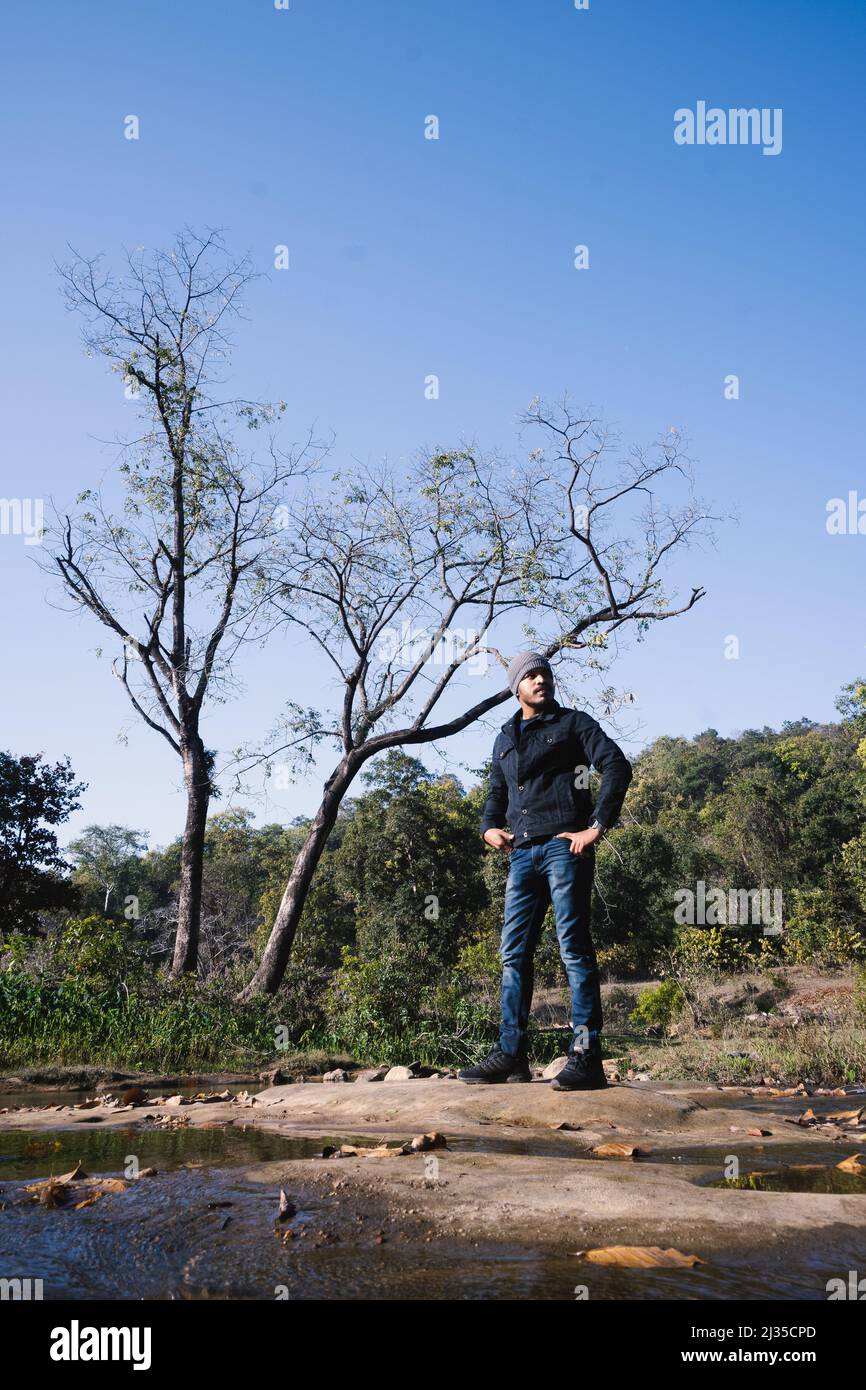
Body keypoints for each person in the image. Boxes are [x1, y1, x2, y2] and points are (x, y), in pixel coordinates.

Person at [457, 652, 632, 1090]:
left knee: (573, 948)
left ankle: (586, 1057)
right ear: (516, 687)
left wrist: (595, 827)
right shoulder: (503, 737)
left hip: (563, 848)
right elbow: (496, 793)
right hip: (521, 854)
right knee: (513, 954)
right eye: (531, 676)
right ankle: (511, 1056)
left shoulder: (573, 724)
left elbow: (616, 766)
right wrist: (487, 830)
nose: (541, 681)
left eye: (545, 675)